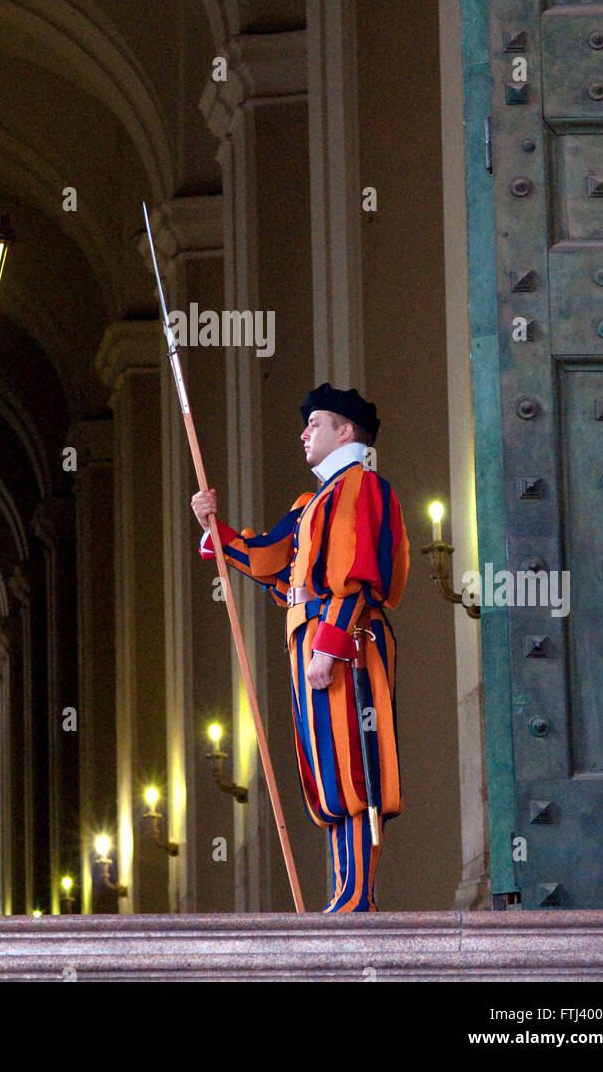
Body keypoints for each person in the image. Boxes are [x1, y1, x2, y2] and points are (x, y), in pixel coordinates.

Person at [191, 382, 409, 913]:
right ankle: (344, 889)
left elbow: (354, 578)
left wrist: (329, 646)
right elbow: (270, 558)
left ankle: (358, 895)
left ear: (347, 431)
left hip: (347, 642)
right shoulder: (313, 502)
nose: (305, 433)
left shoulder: (361, 487)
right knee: (328, 774)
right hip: (313, 642)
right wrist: (213, 527)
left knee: (354, 769)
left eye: (317, 423)